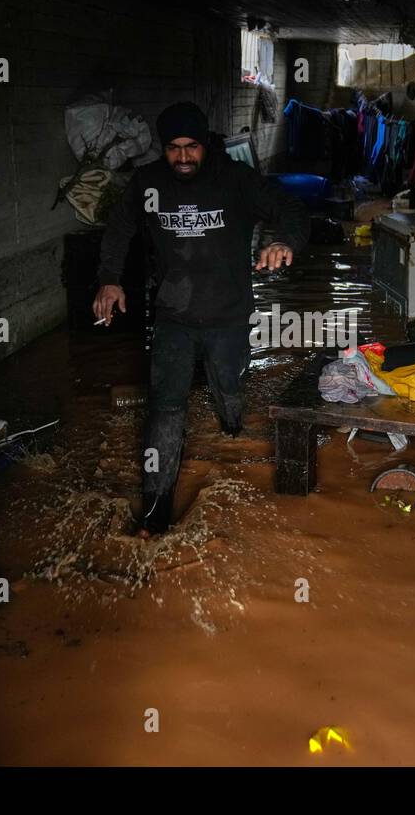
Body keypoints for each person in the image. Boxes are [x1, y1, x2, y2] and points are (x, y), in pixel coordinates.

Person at [93, 101, 309, 537]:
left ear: (205, 144)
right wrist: (109, 280)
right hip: (173, 315)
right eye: (173, 148)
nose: (184, 157)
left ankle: (231, 424)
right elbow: (120, 227)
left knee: (228, 383)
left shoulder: (236, 181)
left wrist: (284, 241)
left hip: (228, 314)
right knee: (165, 408)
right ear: (163, 148)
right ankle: (156, 512)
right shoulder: (148, 182)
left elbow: (293, 210)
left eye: (192, 146)